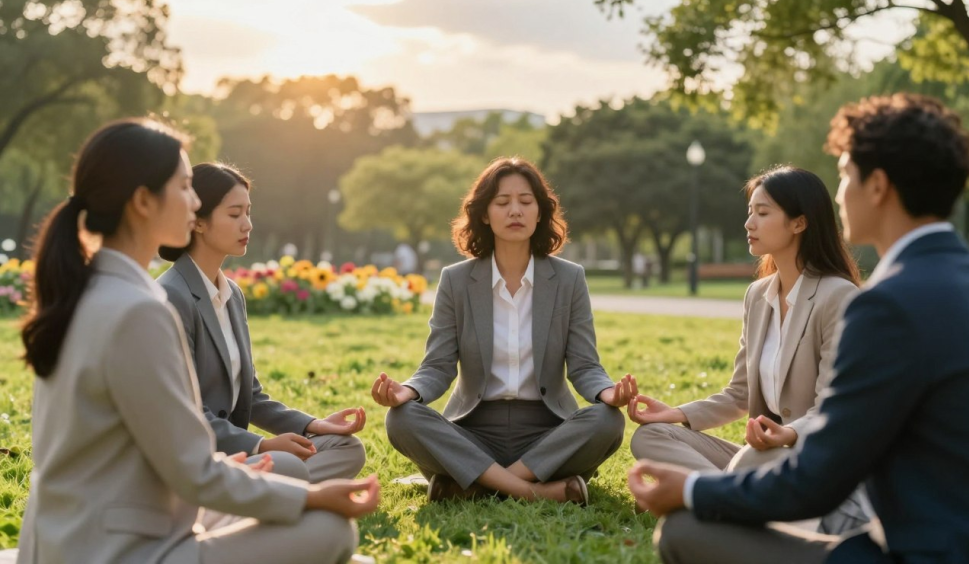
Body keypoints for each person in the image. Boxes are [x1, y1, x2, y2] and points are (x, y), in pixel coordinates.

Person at [630, 93, 969, 563]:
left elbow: (816, 479)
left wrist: (695, 490)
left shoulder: (884, 306)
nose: (838, 196)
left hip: (921, 550)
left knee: (684, 532)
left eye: (843, 175)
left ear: (876, 186)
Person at [17, 119, 378, 564]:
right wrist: (311, 499)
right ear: (144, 201)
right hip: (117, 549)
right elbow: (195, 472)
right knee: (329, 530)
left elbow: (160, 455)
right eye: (186, 186)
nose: (193, 201)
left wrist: (255, 466)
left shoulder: (88, 290)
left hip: (83, 531)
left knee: (294, 494)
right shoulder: (140, 310)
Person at [372, 157, 633, 504]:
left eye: (526, 202)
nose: (515, 211)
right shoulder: (455, 280)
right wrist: (408, 391)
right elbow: (437, 366)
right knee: (401, 419)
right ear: (484, 213)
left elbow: (585, 366)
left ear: (540, 213)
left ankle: (474, 484)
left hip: (547, 431)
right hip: (472, 431)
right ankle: (536, 492)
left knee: (608, 421)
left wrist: (607, 394)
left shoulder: (570, 279)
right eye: (502, 202)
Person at [629, 166, 868, 533]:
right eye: (749, 211)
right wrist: (676, 413)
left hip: (806, 460)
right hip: (758, 460)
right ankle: (739, 501)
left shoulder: (838, 297)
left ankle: (724, 499)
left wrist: (789, 434)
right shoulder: (758, 296)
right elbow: (739, 393)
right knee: (652, 436)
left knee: (753, 458)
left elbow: (834, 408)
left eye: (763, 212)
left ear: (799, 223)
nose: (748, 223)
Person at [158, 162, 366, 483]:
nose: (248, 225)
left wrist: (312, 425)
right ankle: (273, 492)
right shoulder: (172, 297)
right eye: (234, 214)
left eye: (248, 213)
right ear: (198, 221)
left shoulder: (233, 295)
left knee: (346, 446)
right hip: (196, 456)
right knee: (290, 466)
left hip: (241, 456)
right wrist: (261, 444)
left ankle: (269, 492)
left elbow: (251, 397)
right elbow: (183, 411)